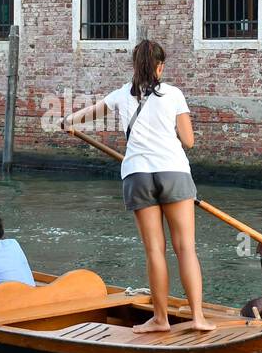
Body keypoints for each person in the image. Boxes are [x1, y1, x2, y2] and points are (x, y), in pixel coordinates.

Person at [61, 40, 211, 332]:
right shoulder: (174, 94)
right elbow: (189, 142)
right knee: (186, 249)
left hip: (138, 175)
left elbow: (89, 113)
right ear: (160, 66)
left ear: (134, 66)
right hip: (174, 173)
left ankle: (160, 319)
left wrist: (68, 120)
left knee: (155, 250)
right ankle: (199, 318)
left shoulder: (121, 95)